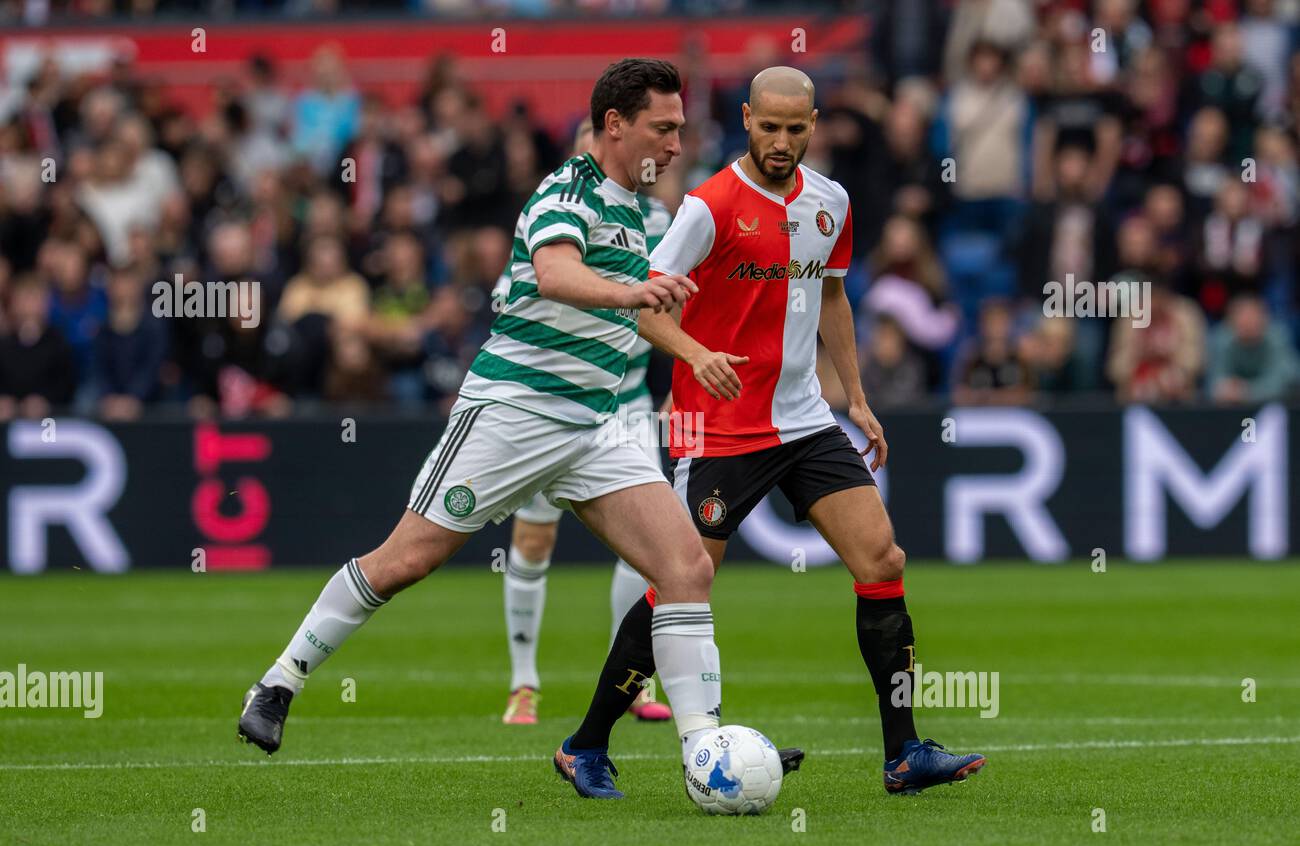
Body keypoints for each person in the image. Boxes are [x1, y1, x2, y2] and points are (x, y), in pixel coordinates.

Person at [236, 59, 772, 803]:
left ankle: (705, 750)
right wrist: (631, 289)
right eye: (665, 127)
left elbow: (644, 311)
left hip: (596, 427)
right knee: (405, 561)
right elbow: (556, 275)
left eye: (680, 127)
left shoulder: (642, 211)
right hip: (514, 413)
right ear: (615, 126)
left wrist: (695, 351)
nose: (678, 143)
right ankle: (279, 682)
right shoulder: (567, 191)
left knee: (686, 570)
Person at [559, 66, 986, 797]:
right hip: (720, 427)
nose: (782, 142)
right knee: (682, 583)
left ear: (814, 123)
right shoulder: (708, 206)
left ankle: (904, 753)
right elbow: (649, 307)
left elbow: (833, 296)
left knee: (881, 560)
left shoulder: (831, 202)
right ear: (748, 119)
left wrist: (856, 396)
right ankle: (586, 744)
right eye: (769, 127)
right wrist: (697, 355)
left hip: (805, 421)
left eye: (796, 129)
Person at [496, 117, 671, 726]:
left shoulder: (659, 222)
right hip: (556, 404)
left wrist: (677, 381)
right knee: (535, 539)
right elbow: (516, 294)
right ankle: (524, 682)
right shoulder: (556, 211)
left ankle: (631, 682)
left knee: (648, 546)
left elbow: (675, 304)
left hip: (626, 404)